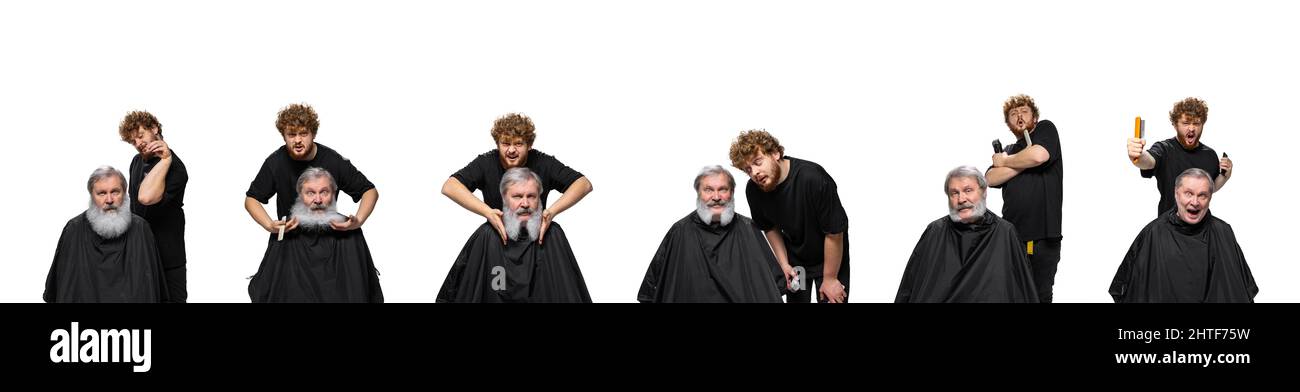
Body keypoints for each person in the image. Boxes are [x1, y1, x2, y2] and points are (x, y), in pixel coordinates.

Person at [729, 130, 849, 303]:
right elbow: (769, 227)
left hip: (830, 256)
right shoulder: (754, 191)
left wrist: (830, 278)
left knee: (832, 298)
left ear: (776, 153)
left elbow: (834, 233)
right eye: (748, 169)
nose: (754, 172)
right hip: (796, 262)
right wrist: (784, 264)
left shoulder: (813, 178)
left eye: (758, 162)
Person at [437, 168, 591, 303]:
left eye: (531, 196)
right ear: (504, 199)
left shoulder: (553, 235)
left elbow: (569, 292)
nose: (525, 203)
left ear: (539, 199)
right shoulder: (487, 236)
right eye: (517, 196)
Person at [638, 165, 785, 303]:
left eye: (723, 189)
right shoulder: (679, 232)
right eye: (708, 190)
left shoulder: (749, 228)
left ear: (732, 193)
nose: (716, 197)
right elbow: (651, 289)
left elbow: (774, 284)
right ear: (698, 193)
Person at [442, 113, 592, 245]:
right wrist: (487, 212)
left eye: (518, 143)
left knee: (556, 233)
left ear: (529, 145)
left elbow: (583, 184)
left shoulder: (544, 162)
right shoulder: (486, 163)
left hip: (538, 242)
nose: (511, 150)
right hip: (497, 242)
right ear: (497, 144)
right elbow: (450, 186)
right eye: (506, 143)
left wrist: (552, 212)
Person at [1109, 168, 1257, 303]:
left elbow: (1243, 289)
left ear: (1210, 198)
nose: (1195, 202)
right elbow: (1125, 288)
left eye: (1202, 195)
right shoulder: (1153, 233)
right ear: (1176, 193)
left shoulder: (1223, 232)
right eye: (1189, 193)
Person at [896, 166, 1038, 303]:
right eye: (954, 193)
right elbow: (909, 286)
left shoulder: (1005, 233)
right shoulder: (935, 231)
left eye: (968, 190)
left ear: (983, 192)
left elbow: (1024, 290)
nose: (961, 199)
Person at [248, 168, 384, 302]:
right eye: (310, 193)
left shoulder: (350, 230)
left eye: (324, 192)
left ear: (333, 194)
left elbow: (362, 289)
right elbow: (266, 289)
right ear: (300, 196)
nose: (318, 200)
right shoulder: (283, 231)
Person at [245, 103, 378, 237]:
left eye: (303, 134)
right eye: (291, 134)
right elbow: (251, 199)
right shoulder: (275, 162)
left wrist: (359, 221)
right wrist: (269, 225)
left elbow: (369, 191)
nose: (297, 140)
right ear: (283, 136)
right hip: (290, 239)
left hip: (330, 240)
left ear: (313, 134)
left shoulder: (333, 160)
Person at [44, 166, 166, 303]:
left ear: (125, 193)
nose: (109, 200)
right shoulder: (73, 230)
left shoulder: (141, 229)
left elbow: (152, 289)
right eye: (101, 193)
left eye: (115, 192)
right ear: (92, 195)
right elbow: (61, 289)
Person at [986, 94, 1064, 302]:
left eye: (1024, 111)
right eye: (1013, 114)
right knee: (1012, 294)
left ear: (1035, 118)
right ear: (1008, 124)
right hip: (1011, 237)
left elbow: (1039, 156)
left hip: (1042, 237)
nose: (1019, 116)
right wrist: (1020, 161)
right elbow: (990, 178)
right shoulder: (1009, 150)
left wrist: (1006, 162)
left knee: (1039, 295)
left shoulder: (1046, 129)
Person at [118, 111, 189, 302]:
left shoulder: (176, 169)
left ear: (155, 128)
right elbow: (132, 206)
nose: (138, 143)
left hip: (168, 259)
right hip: (139, 253)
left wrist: (165, 160)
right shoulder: (136, 162)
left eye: (140, 136)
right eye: (133, 141)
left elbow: (146, 197)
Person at [1127, 97, 1233, 215]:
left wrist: (1225, 176)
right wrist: (1139, 155)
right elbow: (1149, 161)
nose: (1191, 128)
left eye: (1197, 123)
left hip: (1200, 226)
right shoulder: (1164, 149)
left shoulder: (1210, 155)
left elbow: (1210, 189)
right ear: (1175, 124)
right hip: (1168, 226)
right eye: (1186, 123)